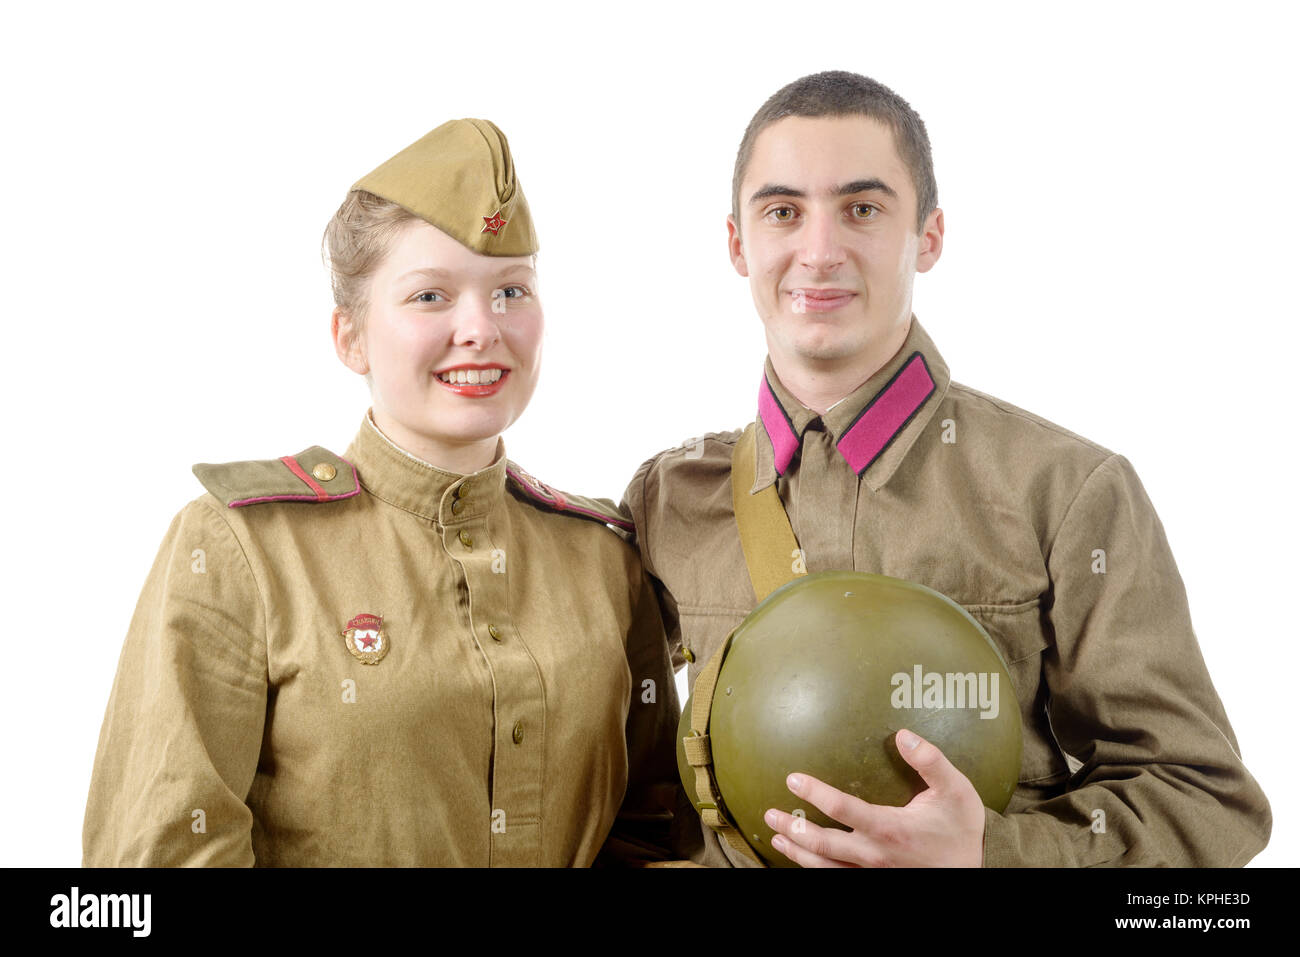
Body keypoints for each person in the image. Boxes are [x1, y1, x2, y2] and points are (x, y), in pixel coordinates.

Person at [624, 71, 1272, 867]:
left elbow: (1204, 798)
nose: (819, 251)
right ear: (738, 244)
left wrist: (989, 856)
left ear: (928, 235)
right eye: (784, 211)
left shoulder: (1062, 490)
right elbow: (636, 804)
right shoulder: (668, 498)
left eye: (863, 209)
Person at [83, 118, 680, 866]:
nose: (481, 329)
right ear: (350, 336)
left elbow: (654, 839)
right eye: (431, 295)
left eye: (511, 291)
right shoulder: (240, 547)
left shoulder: (603, 558)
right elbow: (158, 856)